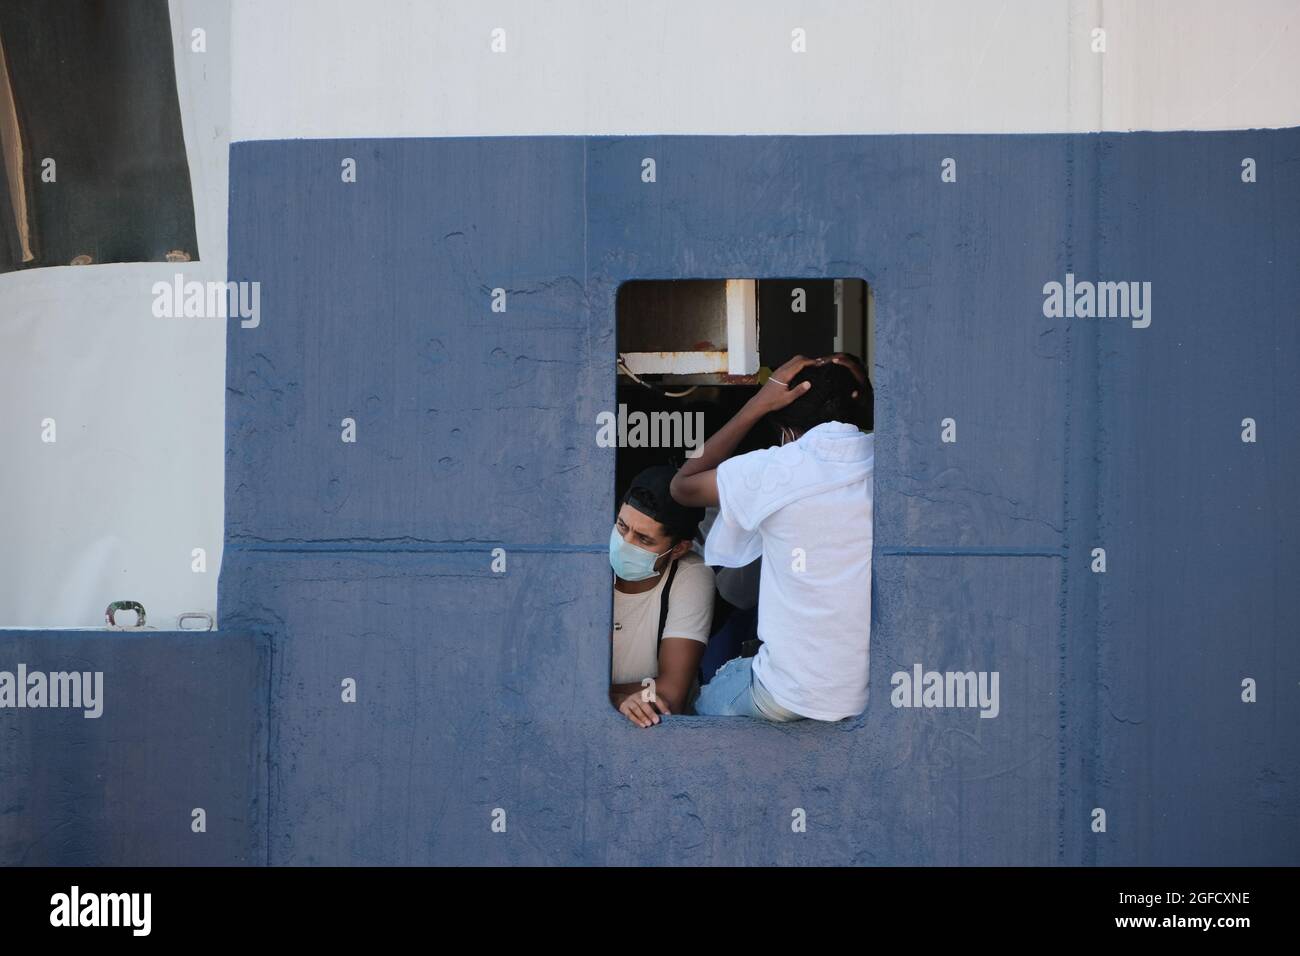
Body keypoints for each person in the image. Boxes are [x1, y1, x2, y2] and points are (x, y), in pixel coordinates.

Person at [670, 354, 873, 722]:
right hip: (867, 693)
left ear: (786, 433)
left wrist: (757, 404)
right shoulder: (888, 462)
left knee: (703, 702)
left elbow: (683, 486)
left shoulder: (775, 468)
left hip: (785, 694)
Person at [609, 466, 716, 728]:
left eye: (644, 540)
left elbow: (671, 695)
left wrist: (601, 696)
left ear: (678, 549)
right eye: (622, 526)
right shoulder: (586, 558)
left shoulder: (690, 574)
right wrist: (618, 699)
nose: (626, 543)